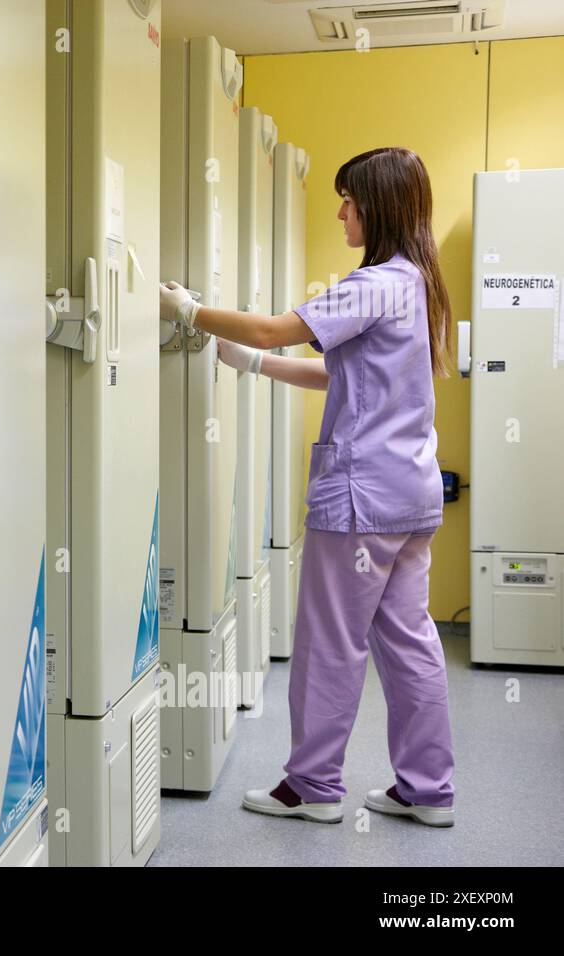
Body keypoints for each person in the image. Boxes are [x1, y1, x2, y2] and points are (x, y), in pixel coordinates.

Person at [159, 146, 456, 827]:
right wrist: (258, 364)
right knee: (410, 641)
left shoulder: (373, 282)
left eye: (350, 198)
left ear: (378, 206)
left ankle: (314, 787)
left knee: (330, 642)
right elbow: (342, 376)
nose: (341, 209)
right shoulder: (420, 283)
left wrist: (189, 310)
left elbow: (272, 324)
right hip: (409, 498)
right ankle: (427, 789)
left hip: (361, 502)